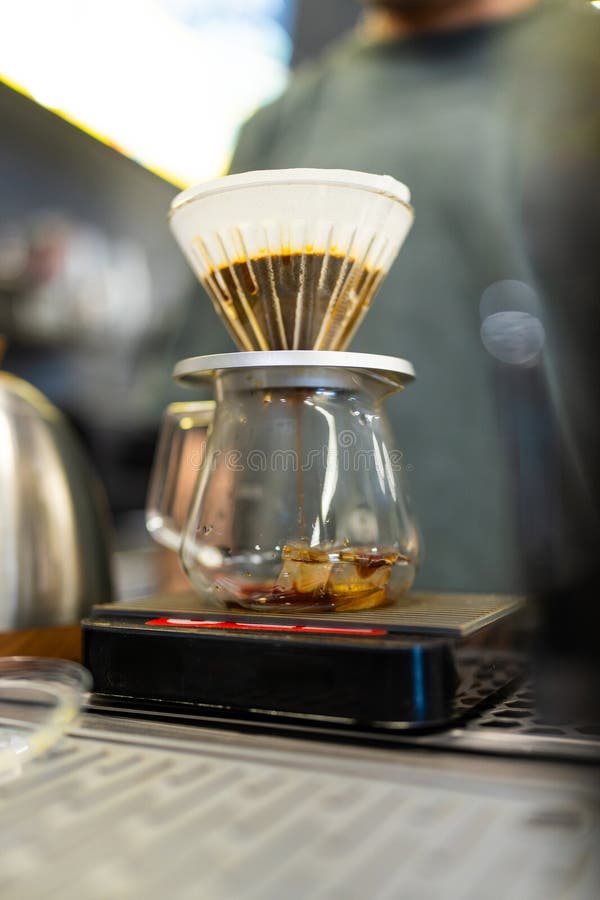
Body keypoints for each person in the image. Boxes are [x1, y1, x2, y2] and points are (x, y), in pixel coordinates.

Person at [225, 0, 600, 593]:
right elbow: (216, 407)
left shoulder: (584, 61)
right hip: (290, 621)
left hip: (559, 643)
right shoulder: (281, 122)